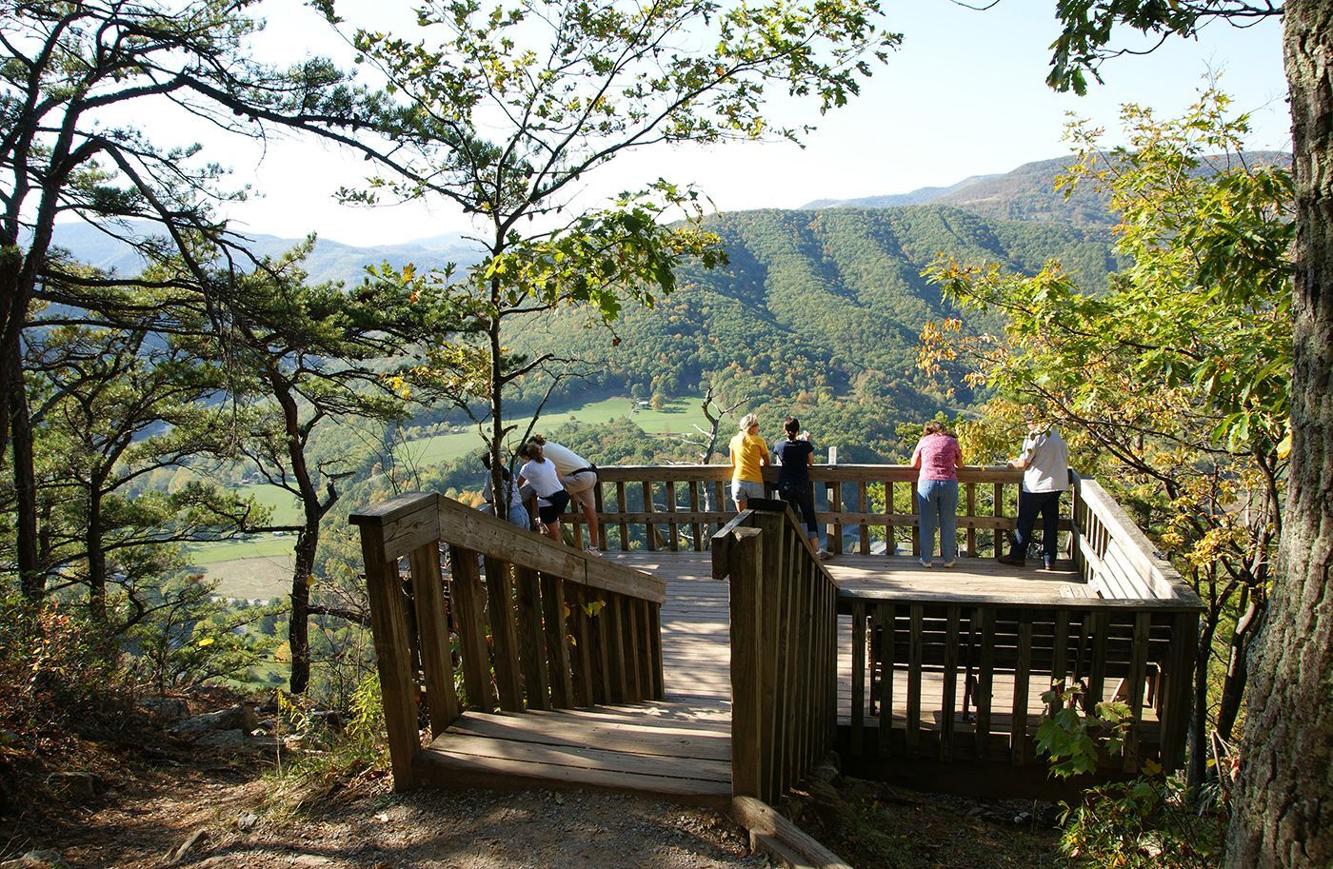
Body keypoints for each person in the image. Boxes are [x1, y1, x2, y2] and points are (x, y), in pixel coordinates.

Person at [998, 413, 1069, 570]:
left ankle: (1017, 556)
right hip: (1057, 484)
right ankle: (1049, 559)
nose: (1028, 426)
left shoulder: (1034, 435)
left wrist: (1012, 463)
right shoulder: (1057, 435)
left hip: (1037, 485)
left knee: (1025, 522)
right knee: (1051, 523)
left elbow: (1024, 463)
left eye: (1028, 422)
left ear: (1032, 421)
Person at [525, 434, 600, 552]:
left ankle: (551, 525)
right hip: (590, 474)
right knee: (589, 510)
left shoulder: (542, 452)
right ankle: (594, 547)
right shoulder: (551, 445)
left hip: (579, 478)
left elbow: (547, 475)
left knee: (551, 494)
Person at [773, 416, 830, 559]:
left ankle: (791, 550)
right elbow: (811, 462)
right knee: (809, 515)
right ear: (798, 430)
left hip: (785, 485)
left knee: (790, 517)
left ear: (784, 430)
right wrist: (807, 440)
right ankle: (816, 549)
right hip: (802, 485)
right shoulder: (805, 446)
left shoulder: (779, 446)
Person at [910, 420, 963, 568]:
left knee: (927, 522)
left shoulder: (924, 441)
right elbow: (961, 464)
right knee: (948, 522)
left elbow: (913, 464)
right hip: (948, 483)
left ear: (928, 430)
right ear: (944, 430)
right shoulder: (952, 441)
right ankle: (949, 559)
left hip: (927, 483)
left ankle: (926, 559)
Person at [517, 440, 571, 543]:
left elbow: (518, 485)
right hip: (561, 497)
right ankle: (549, 525)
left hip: (548, 503)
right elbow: (558, 477)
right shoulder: (547, 461)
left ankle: (560, 554)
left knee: (553, 535)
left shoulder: (527, 468)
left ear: (524, 456)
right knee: (554, 529)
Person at [479, 451, 531, 529]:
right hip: (522, 509)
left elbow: (488, 496)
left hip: (512, 512)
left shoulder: (491, 474)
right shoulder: (507, 471)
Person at [727, 412, 768, 511]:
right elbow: (767, 462)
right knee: (758, 516)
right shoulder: (759, 441)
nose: (758, 427)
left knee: (742, 518)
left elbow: (733, 462)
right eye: (757, 424)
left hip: (738, 480)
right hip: (755, 481)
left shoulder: (734, 440)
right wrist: (760, 462)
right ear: (752, 427)